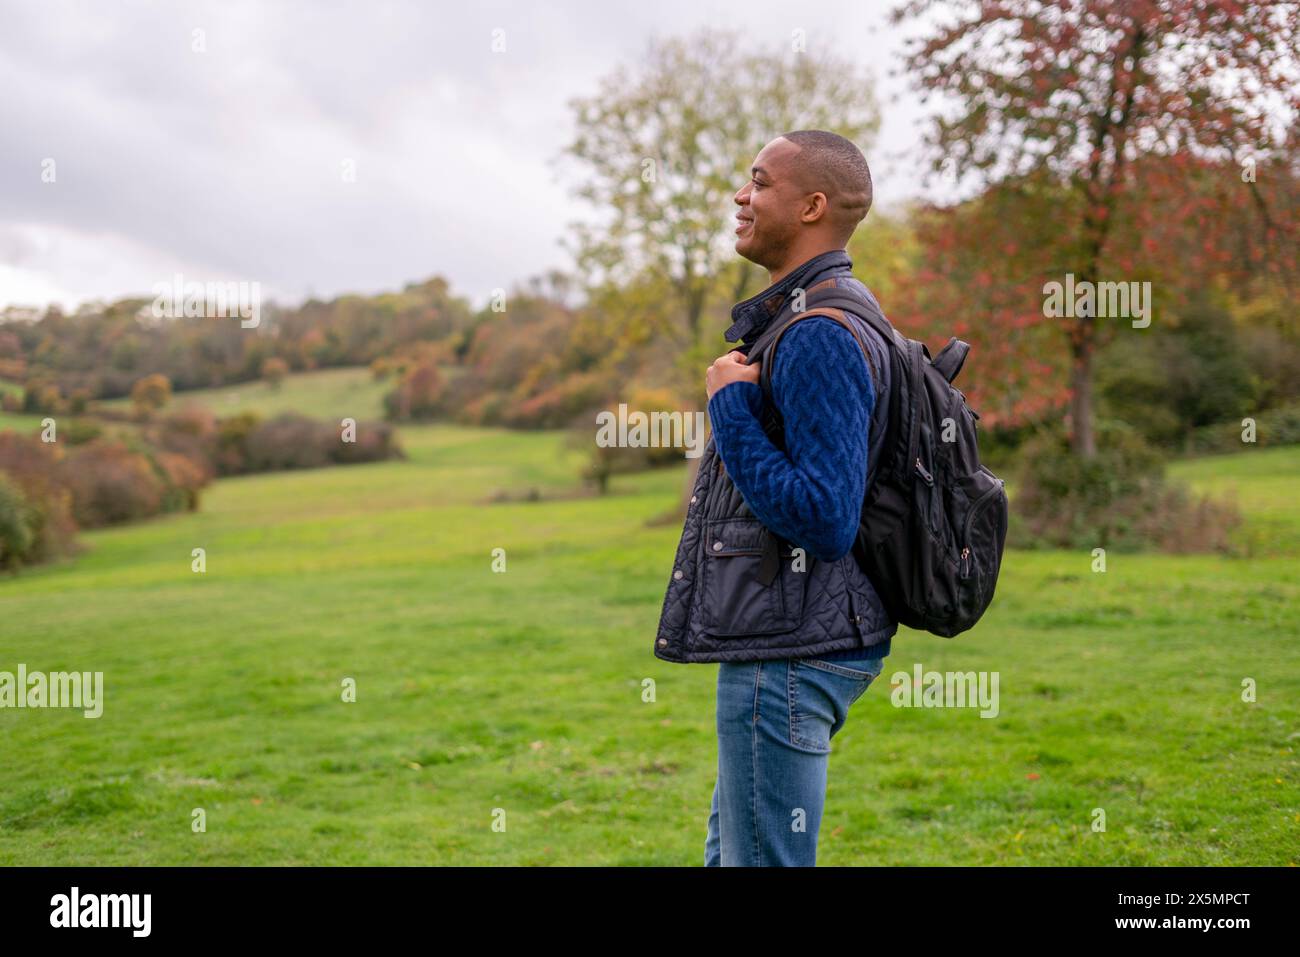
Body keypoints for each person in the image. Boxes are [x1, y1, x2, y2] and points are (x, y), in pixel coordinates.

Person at [652, 130, 896, 866]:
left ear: (813, 205)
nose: (740, 195)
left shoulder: (819, 331)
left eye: (759, 181)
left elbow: (824, 517)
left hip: (790, 646)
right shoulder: (827, 310)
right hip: (795, 635)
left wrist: (728, 405)